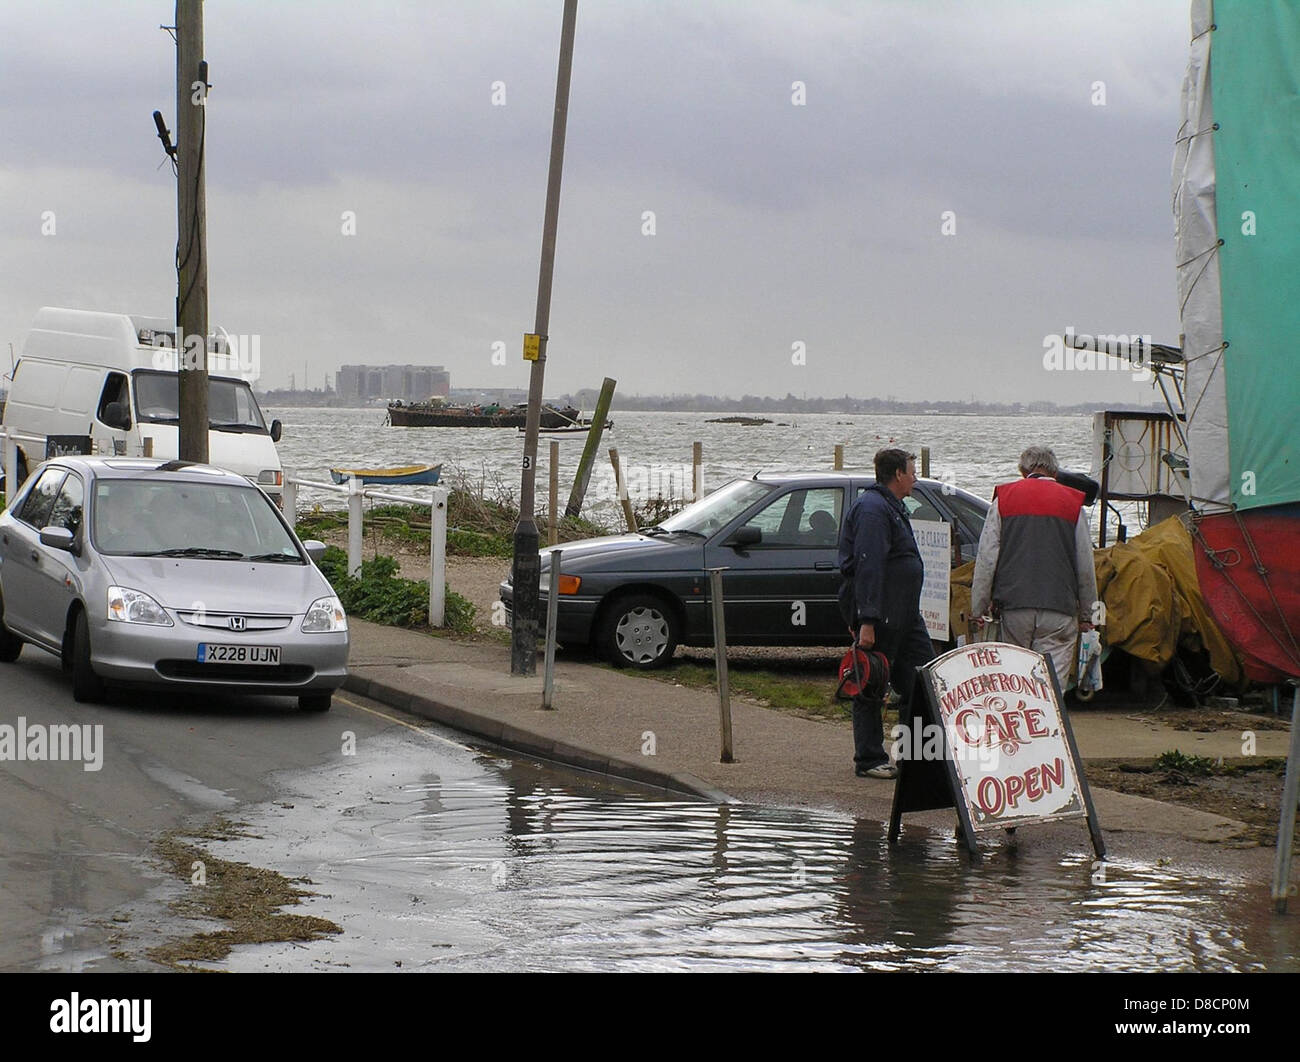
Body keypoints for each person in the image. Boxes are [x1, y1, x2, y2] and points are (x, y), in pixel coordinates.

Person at [837, 448, 935, 779]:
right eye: (912, 471)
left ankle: (918, 756)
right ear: (897, 475)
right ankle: (869, 757)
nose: (915, 478)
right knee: (872, 681)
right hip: (882, 615)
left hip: (906, 614)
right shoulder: (873, 510)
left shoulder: (891, 507)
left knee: (921, 681)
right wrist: (867, 620)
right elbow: (869, 565)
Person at [970, 445, 1099, 690]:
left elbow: (987, 559)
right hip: (1059, 609)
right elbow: (1085, 564)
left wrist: (978, 609)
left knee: (1016, 678)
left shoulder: (1004, 499)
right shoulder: (1074, 503)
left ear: (1023, 469)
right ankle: (1050, 724)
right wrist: (1088, 615)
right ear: (1054, 471)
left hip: (1014, 606)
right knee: (1051, 685)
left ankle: (1021, 724)